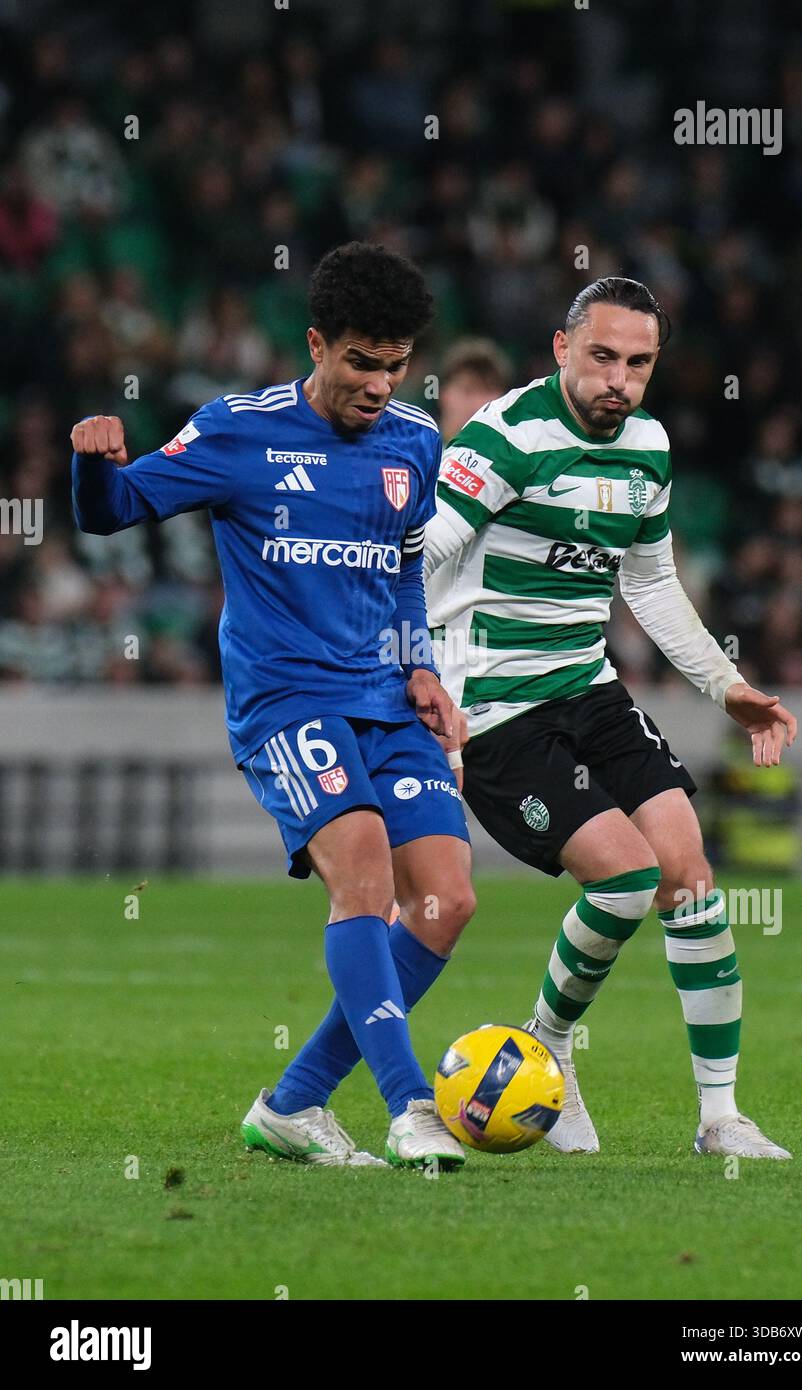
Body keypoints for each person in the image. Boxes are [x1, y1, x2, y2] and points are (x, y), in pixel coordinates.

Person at [71, 241, 475, 1170]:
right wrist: (96, 464)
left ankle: (292, 1105)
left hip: (388, 699)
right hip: (289, 702)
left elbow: (404, 564)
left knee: (446, 903)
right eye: (361, 361)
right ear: (317, 344)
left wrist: (421, 666)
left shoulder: (416, 443)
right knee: (365, 877)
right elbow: (112, 511)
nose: (379, 383)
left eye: (396, 363)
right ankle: (412, 1104)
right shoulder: (237, 433)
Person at [424, 276, 798, 1160]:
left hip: (587, 690)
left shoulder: (648, 449)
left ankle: (720, 1118)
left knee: (689, 876)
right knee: (624, 879)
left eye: (637, 364)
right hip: (497, 706)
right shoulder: (506, 438)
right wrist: (417, 681)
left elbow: (650, 581)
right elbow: (423, 552)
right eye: (601, 358)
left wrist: (725, 684)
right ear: (562, 350)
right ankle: (548, 1044)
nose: (617, 381)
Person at [438, 337, 511, 442]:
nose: (477, 403)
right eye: (467, 390)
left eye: (487, 391)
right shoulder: (418, 453)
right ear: (444, 395)